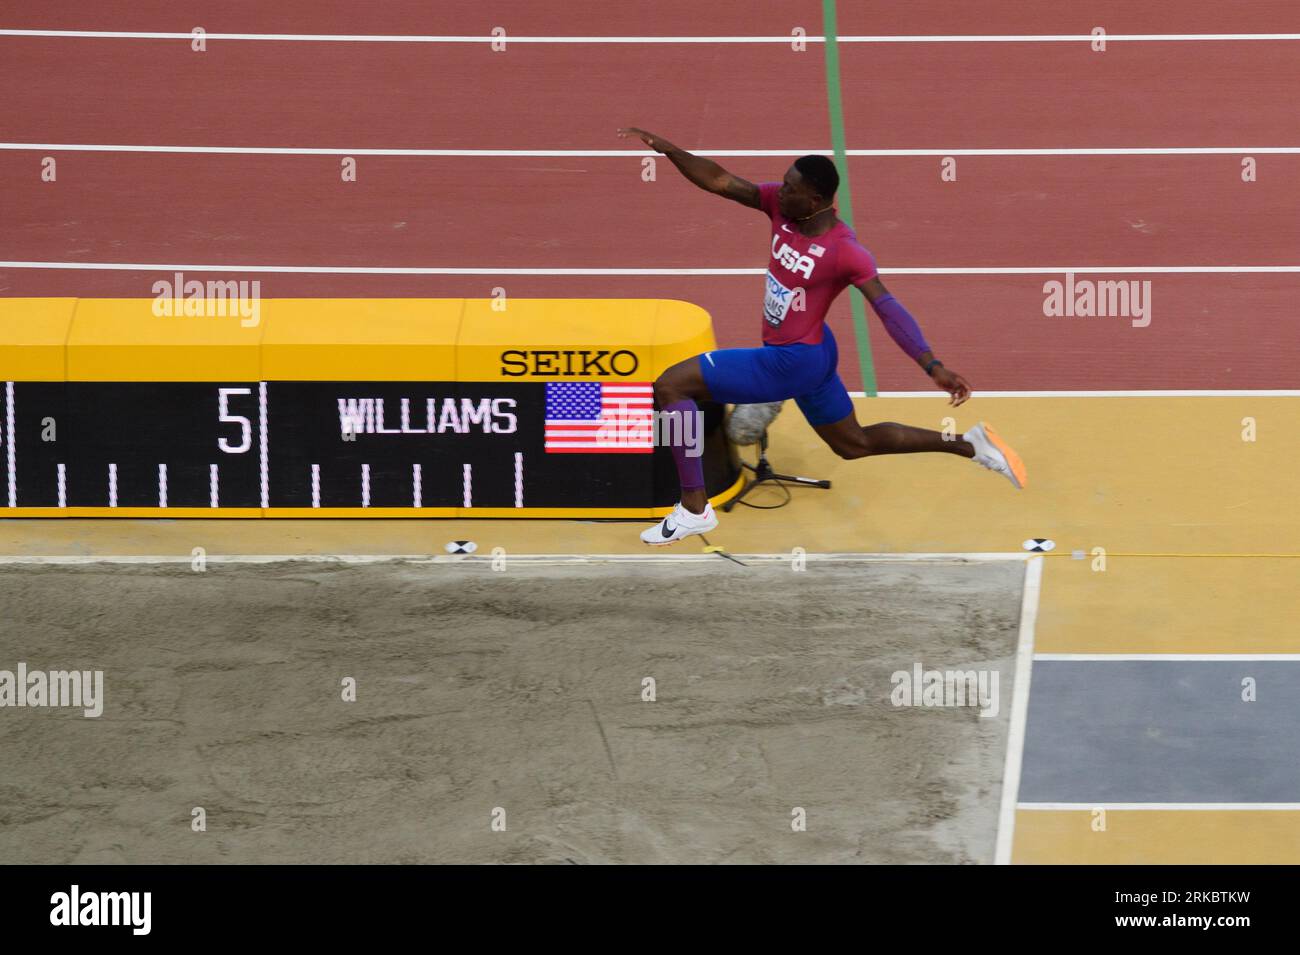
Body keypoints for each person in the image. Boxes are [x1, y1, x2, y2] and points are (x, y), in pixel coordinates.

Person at [617, 127, 1026, 546]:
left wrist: (931, 364)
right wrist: (669, 149)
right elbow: (720, 180)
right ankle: (967, 445)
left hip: (790, 361)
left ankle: (693, 507)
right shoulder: (782, 207)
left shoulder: (844, 251)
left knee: (670, 385)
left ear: (814, 201)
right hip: (815, 351)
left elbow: (887, 308)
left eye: (790, 187)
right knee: (854, 444)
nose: (780, 190)